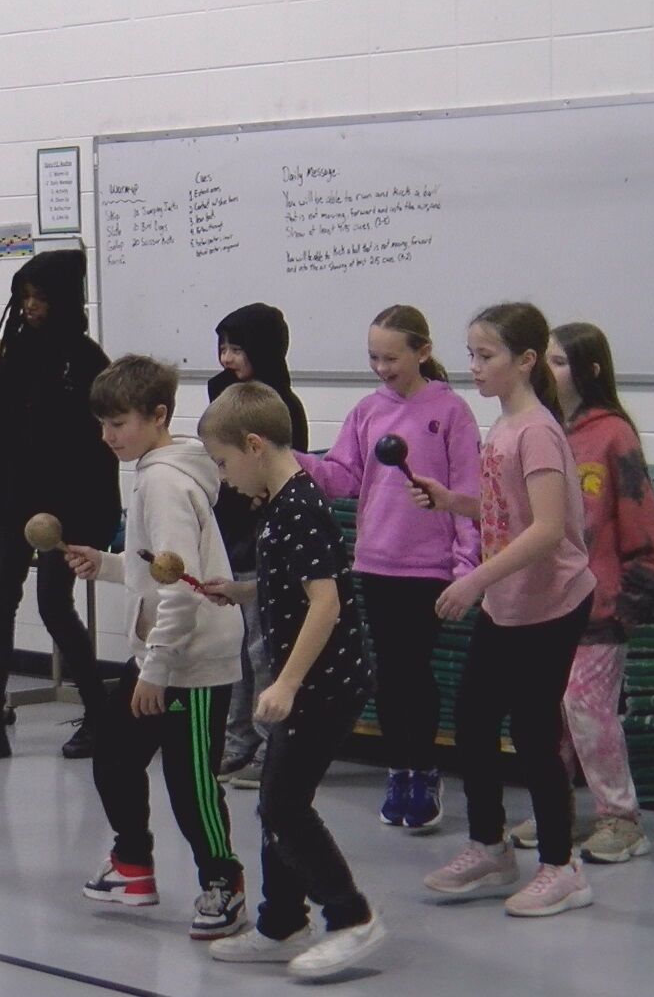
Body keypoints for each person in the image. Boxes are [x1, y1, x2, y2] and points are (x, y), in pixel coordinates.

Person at [408, 302, 597, 918]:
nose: (473, 368)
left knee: (535, 734)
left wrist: (473, 582)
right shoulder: (505, 427)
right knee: (472, 720)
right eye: (470, 354)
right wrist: (453, 501)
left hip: (550, 600)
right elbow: (502, 512)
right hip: (509, 599)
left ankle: (561, 867)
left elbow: (547, 530)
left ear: (525, 361)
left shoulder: (537, 430)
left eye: (485, 356)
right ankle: (490, 848)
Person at [198, 382, 387, 979]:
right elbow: (297, 581)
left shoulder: (300, 507)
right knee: (278, 803)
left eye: (224, 463)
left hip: (323, 685)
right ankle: (282, 922)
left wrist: (285, 683)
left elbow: (325, 604)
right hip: (309, 683)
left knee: (284, 804)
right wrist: (245, 590)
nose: (224, 478)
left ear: (254, 446)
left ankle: (352, 918)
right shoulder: (281, 506)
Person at [61, 355, 246, 941]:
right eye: (103, 424)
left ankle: (224, 882)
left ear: (158, 415)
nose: (107, 435)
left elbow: (183, 590)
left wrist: (157, 669)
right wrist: (109, 565)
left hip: (190, 663)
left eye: (119, 423)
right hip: (161, 656)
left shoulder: (164, 481)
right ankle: (133, 866)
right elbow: (156, 568)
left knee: (191, 785)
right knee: (115, 757)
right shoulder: (154, 470)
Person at [294, 305, 481, 829]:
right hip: (375, 563)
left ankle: (424, 769)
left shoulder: (452, 412)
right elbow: (342, 478)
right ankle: (399, 770)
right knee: (390, 676)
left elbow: (471, 493)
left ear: (422, 352)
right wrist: (291, 460)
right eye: (373, 357)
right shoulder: (367, 410)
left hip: (429, 567)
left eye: (392, 357)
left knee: (412, 672)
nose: (381, 367)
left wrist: (466, 564)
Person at [504, 322, 654, 864]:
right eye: (542, 361)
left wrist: (640, 586)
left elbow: (639, 515)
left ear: (589, 370)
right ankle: (559, 811)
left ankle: (621, 819)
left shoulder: (613, 435)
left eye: (557, 361)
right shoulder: (540, 430)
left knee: (586, 705)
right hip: (548, 600)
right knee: (548, 710)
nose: (544, 371)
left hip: (602, 604)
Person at [0, 249, 119, 762]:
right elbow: (1, 426)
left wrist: (95, 518)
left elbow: (98, 445)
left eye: (40, 299)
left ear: (63, 301)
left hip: (66, 501)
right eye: (25, 298)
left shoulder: (89, 360)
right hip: (13, 496)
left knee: (53, 604)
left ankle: (100, 713)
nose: (30, 308)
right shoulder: (17, 351)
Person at [208, 304, 309, 789]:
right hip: (228, 538)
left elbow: (288, 476)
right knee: (235, 647)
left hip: (264, 543)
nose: (227, 358)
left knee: (263, 646)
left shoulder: (282, 405)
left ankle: (274, 746)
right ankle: (238, 738)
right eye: (222, 348)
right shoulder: (219, 396)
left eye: (237, 349)